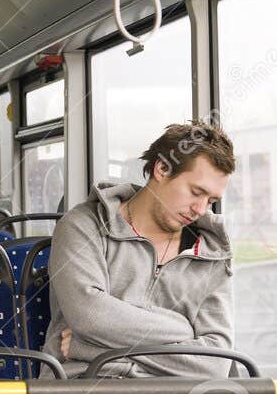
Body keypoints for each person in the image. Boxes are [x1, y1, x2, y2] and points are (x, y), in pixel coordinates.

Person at [45, 120, 236, 377]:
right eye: (195, 192)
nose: (201, 209)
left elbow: (215, 363)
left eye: (211, 201)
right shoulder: (83, 226)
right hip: (85, 389)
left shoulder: (212, 251)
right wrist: (183, 330)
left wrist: (87, 348)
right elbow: (90, 318)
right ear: (162, 169)